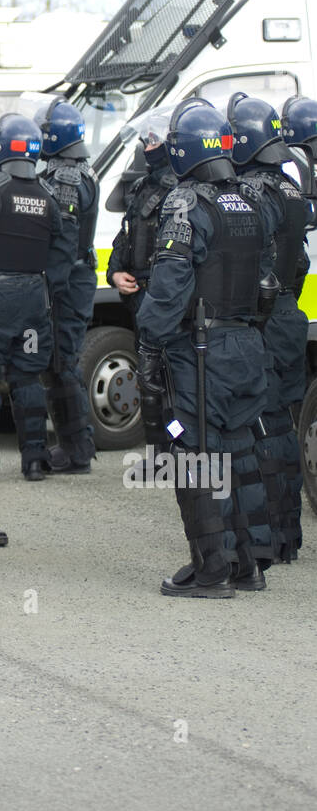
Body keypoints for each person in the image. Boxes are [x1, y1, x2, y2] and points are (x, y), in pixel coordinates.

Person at [136, 99, 276, 597]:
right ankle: (250, 563)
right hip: (244, 344)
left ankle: (211, 569)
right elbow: (268, 281)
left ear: (183, 150)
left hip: (199, 350)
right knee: (240, 452)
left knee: (192, 453)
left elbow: (170, 288)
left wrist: (149, 344)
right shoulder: (253, 200)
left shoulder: (186, 204)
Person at [0, 113, 75, 481]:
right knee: (27, 378)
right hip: (33, 299)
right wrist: (47, 288)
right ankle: (34, 460)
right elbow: (64, 248)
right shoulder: (48, 194)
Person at [229, 93, 309, 562]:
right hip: (288, 315)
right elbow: (296, 261)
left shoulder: (252, 194)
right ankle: (288, 535)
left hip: (260, 319)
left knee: (257, 429)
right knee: (282, 426)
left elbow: (251, 264)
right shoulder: (292, 188)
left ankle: (263, 539)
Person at [28, 97, 99, 473]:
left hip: (67, 281)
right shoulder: (74, 170)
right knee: (57, 363)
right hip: (71, 277)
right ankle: (71, 444)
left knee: (63, 363)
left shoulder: (67, 180)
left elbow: (65, 239)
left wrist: (48, 286)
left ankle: (77, 449)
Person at [106, 109, 178, 463]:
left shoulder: (182, 190)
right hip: (142, 299)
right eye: (145, 139)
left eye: (154, 139)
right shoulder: (141, 186)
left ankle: (179, 452)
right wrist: (114, 273)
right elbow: (126, 238)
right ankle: (159, 454)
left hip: (169, 301)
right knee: (149, 382)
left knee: (173, 383)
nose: (148, 146)